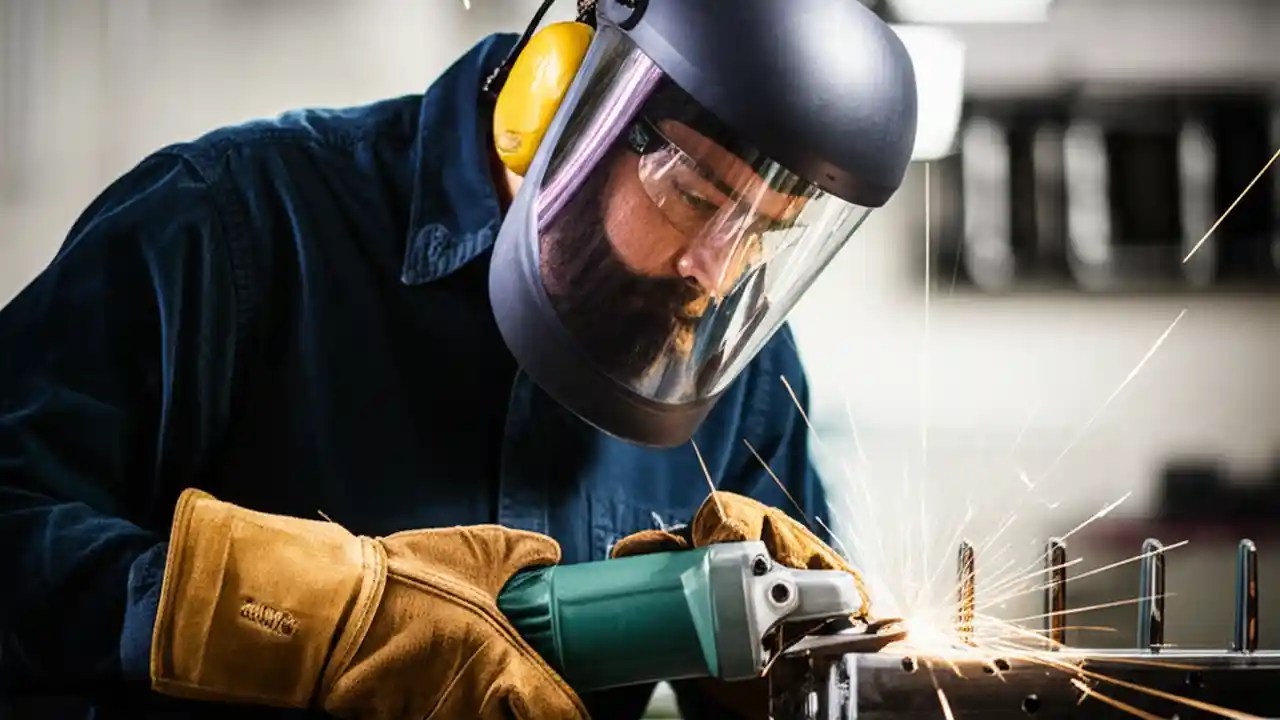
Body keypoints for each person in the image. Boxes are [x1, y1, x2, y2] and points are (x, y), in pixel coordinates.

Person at [0, 0, 916, 718]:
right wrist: (301, 622)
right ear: (563, 97)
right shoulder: (231, 226)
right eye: (694, 194)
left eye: (764, 229)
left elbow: (800, 662)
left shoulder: (738, 368)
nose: (716, 270)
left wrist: (791, 675)